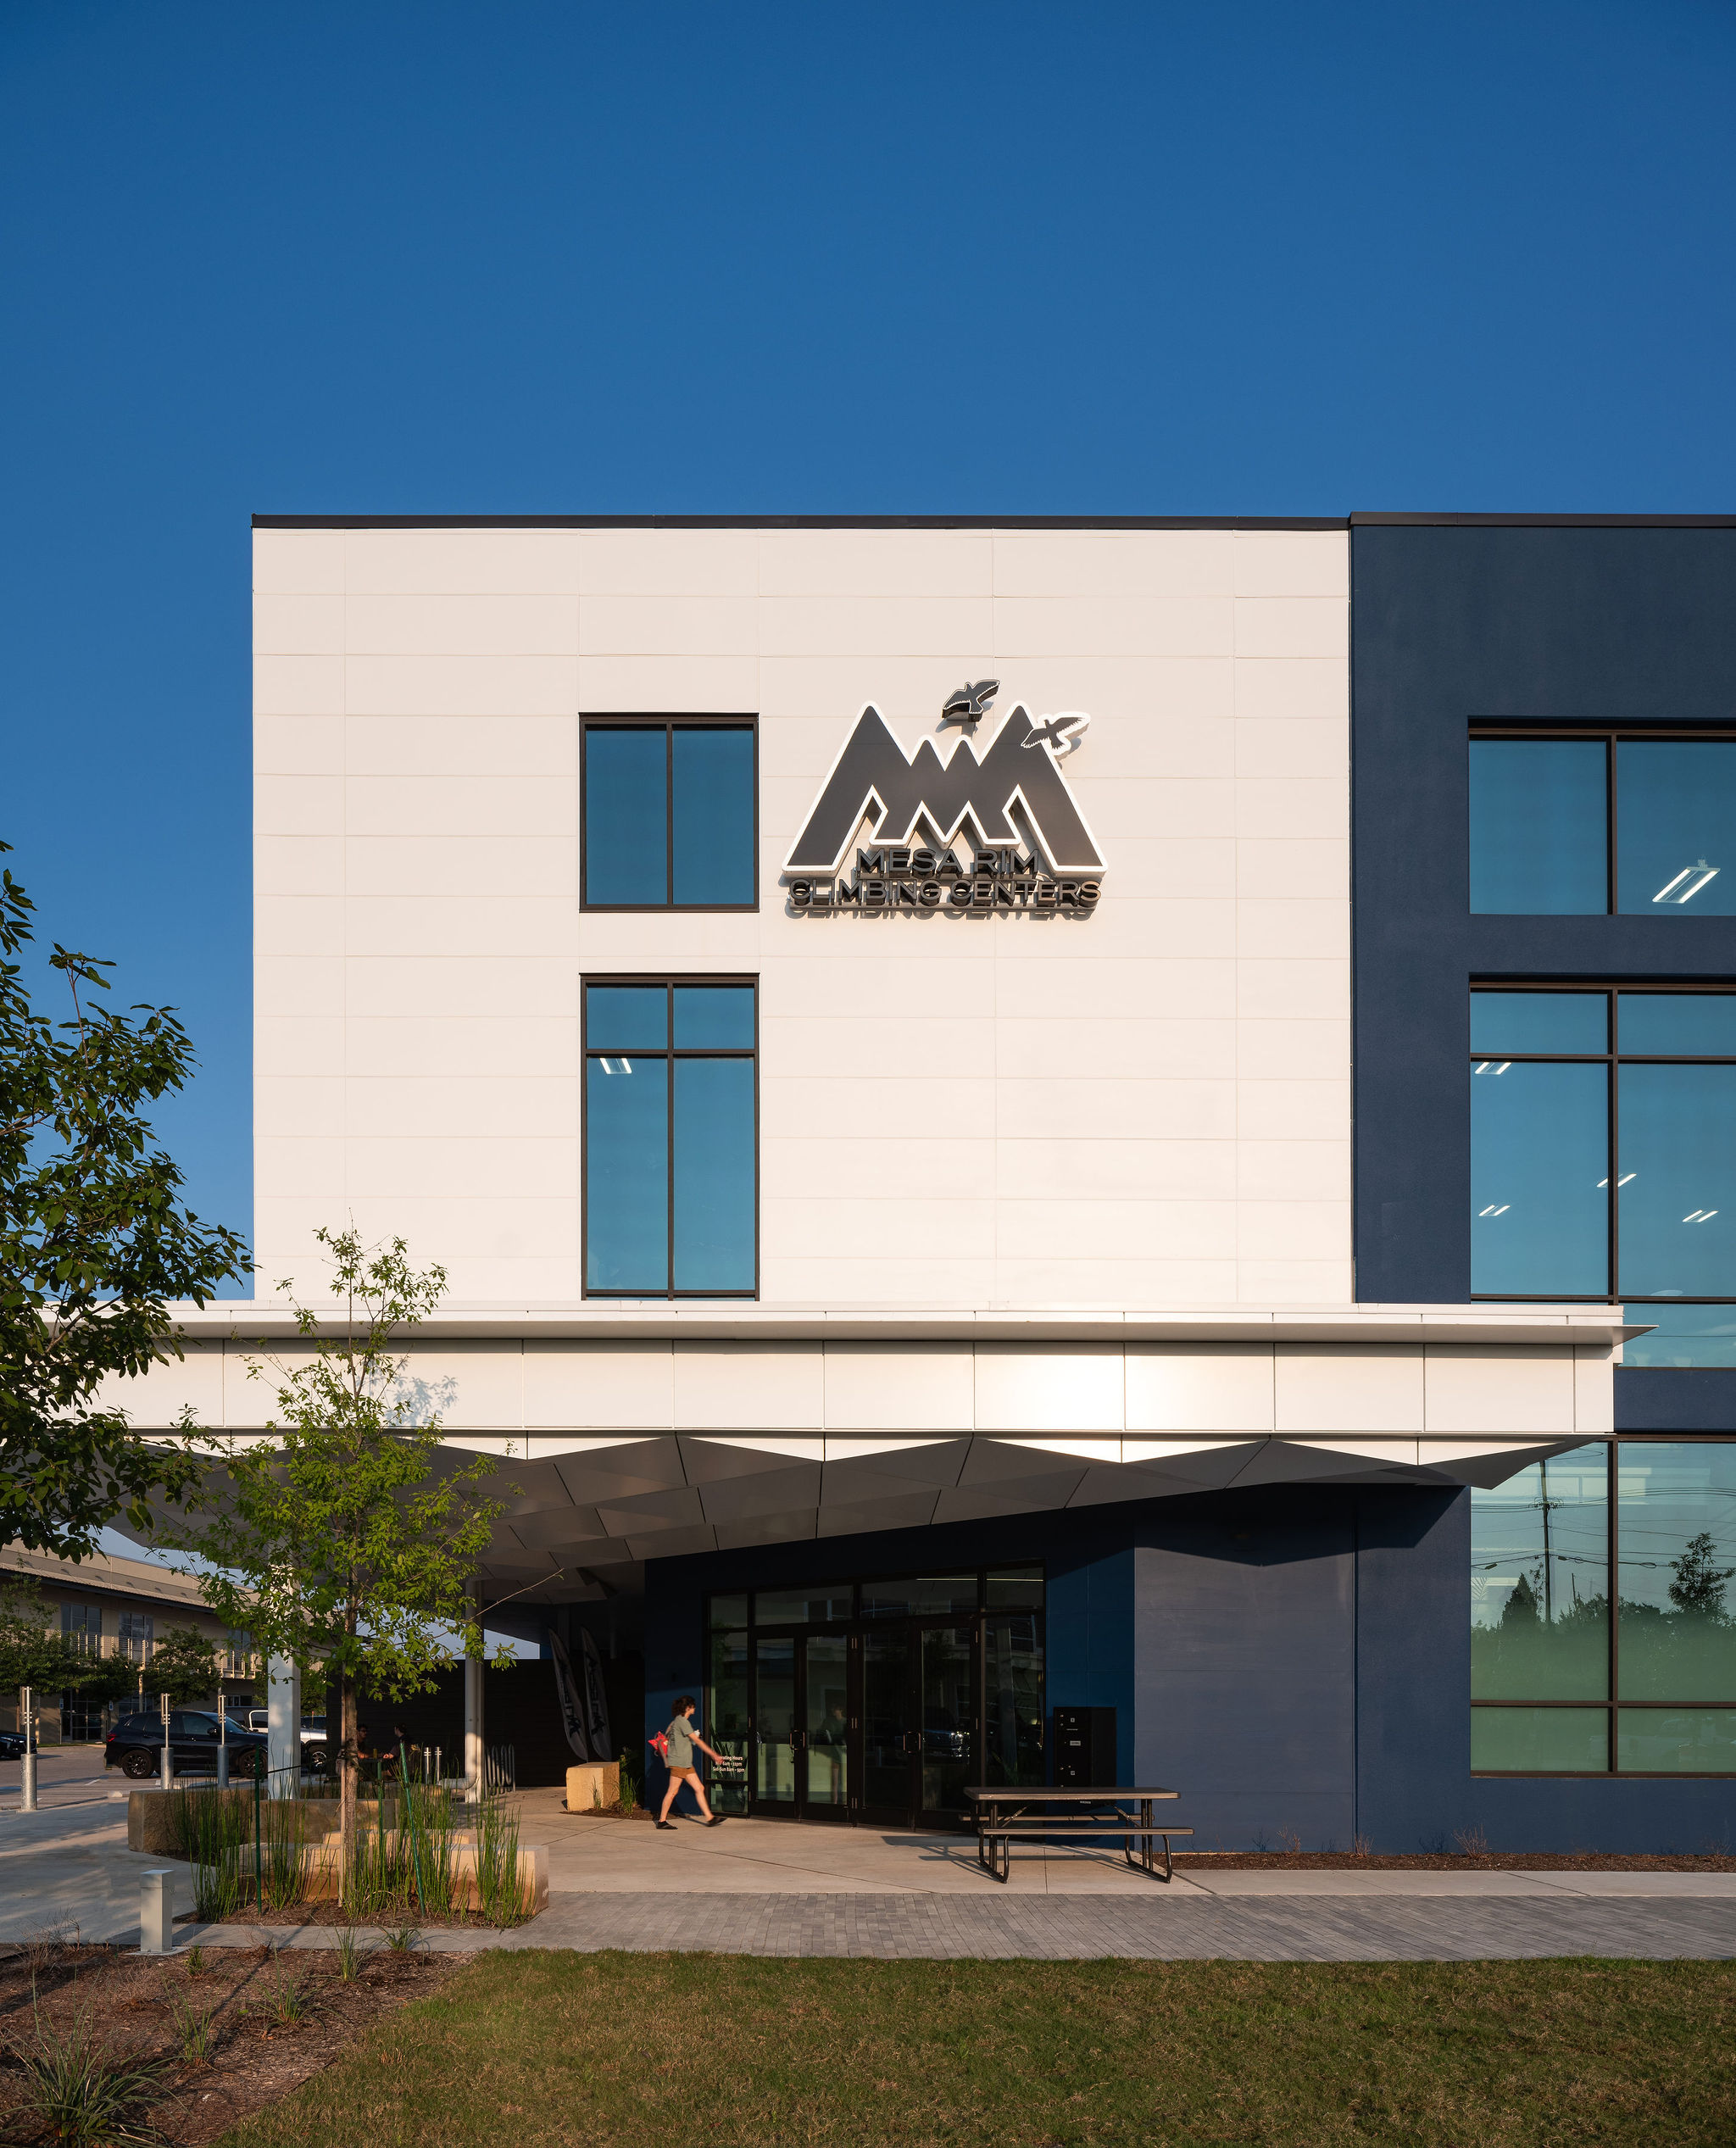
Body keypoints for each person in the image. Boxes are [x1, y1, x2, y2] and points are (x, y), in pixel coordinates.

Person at [656, 1696, 727, 1828]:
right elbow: (698, 1741)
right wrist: (714, 1755)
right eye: (693, 1706)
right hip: (679, 1763)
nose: (694, 1708)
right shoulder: (682, 1721)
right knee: (672, 1792)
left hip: (686, 1763)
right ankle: (662, 1821)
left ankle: (710, 1819)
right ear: (688, 1707)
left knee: (699, 1788)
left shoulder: (677, 1721)